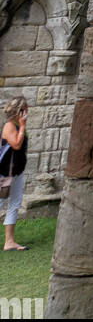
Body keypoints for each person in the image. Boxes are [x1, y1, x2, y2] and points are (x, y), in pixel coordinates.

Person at [0, 96, 29, 251]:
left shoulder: (18, 125)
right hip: (4, 173)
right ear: (20, 110)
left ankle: (9, 242)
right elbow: (16, 145)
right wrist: (23, 127)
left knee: (14, 203)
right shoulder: (10, 126)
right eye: (25, 109)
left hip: (17, 171)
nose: (27, 112)